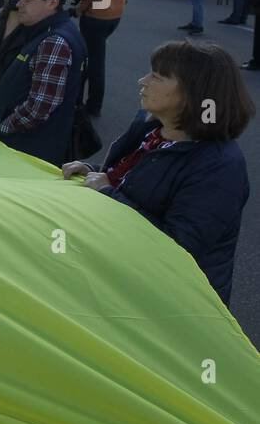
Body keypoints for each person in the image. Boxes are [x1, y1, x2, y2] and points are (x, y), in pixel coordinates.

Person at [62, 41, 254, 304]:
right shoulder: (152, 127)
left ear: (193, 95)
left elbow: (177, 248)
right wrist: (93, 171)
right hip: (122, 279)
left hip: (164, 303)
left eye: (158, 76)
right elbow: (135, 180)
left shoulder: (219, 166)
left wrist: (108, 192)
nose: (143, 80)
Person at [0, 0, 87, 167]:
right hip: (22, 149)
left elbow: (38, 107)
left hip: (23, 153)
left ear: (52, 2)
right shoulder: (48, 31)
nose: (19, 3)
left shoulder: (54, 41)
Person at [76, 0, 132, 119]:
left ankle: (90, 104)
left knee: (91, 61)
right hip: (114, 14)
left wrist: (80, 7)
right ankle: (91, 102)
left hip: (97, 16)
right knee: (96, 58)